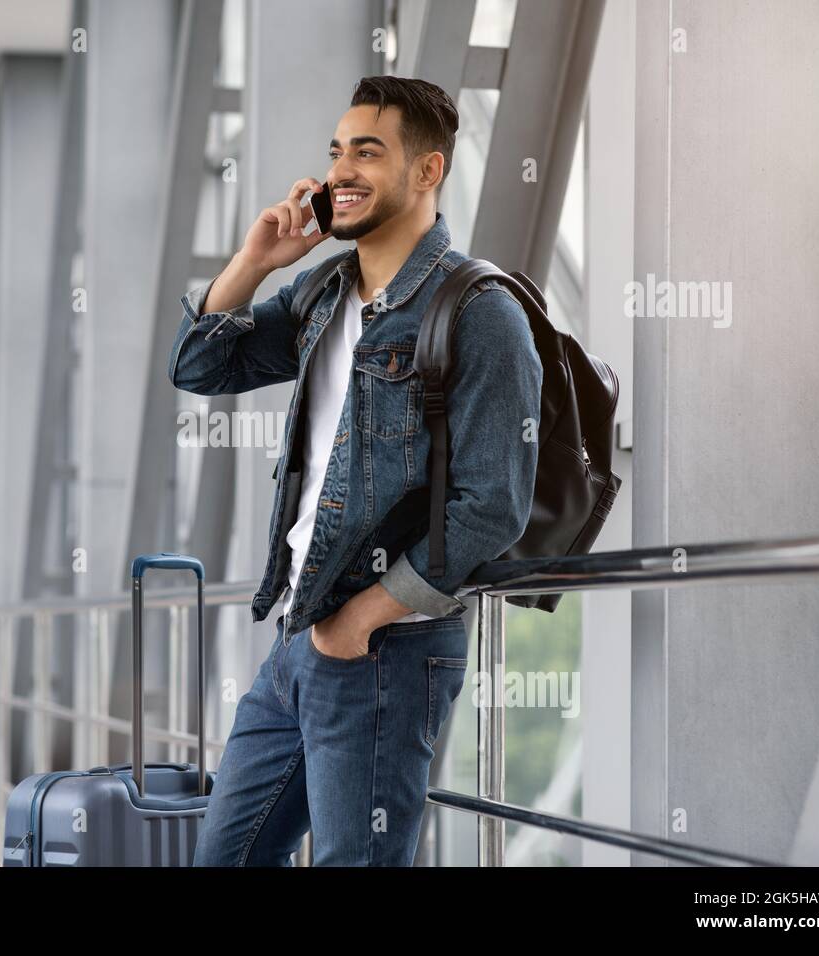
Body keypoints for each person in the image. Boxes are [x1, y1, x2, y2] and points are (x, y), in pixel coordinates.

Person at [169, 75, 542, 866]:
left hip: (388, 650)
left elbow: (491, 507)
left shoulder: (479, 311)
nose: (341, 170)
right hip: (298, 638)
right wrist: (256, 259)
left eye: (367, 152)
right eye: (337, 151)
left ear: (428, 171)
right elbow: (201, 365)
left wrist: (360, 620)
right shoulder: (323, 293)